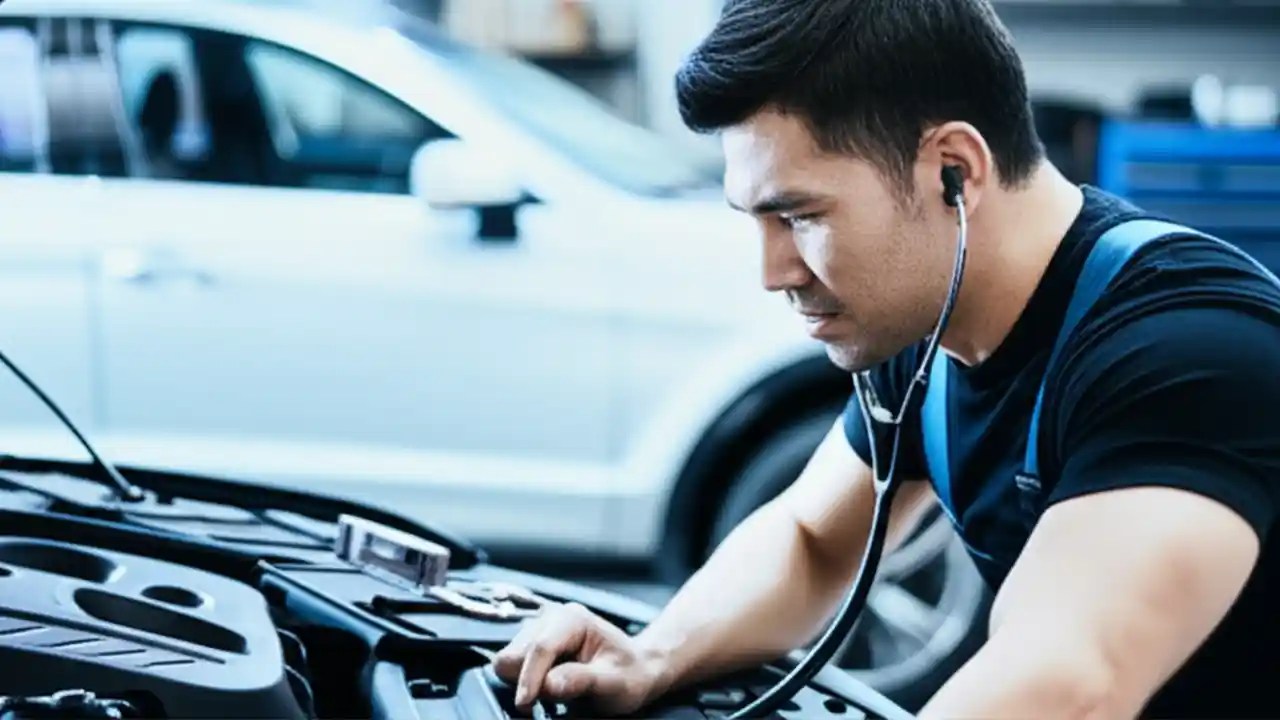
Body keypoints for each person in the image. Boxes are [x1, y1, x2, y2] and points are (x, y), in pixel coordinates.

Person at [493, 1, 1280, 717]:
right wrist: (653, 655)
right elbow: (810, 538)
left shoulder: (1187, 351)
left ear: (954, 172)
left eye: (798, 216)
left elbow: (1071, 679)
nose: (773, 273)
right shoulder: (929, 327)